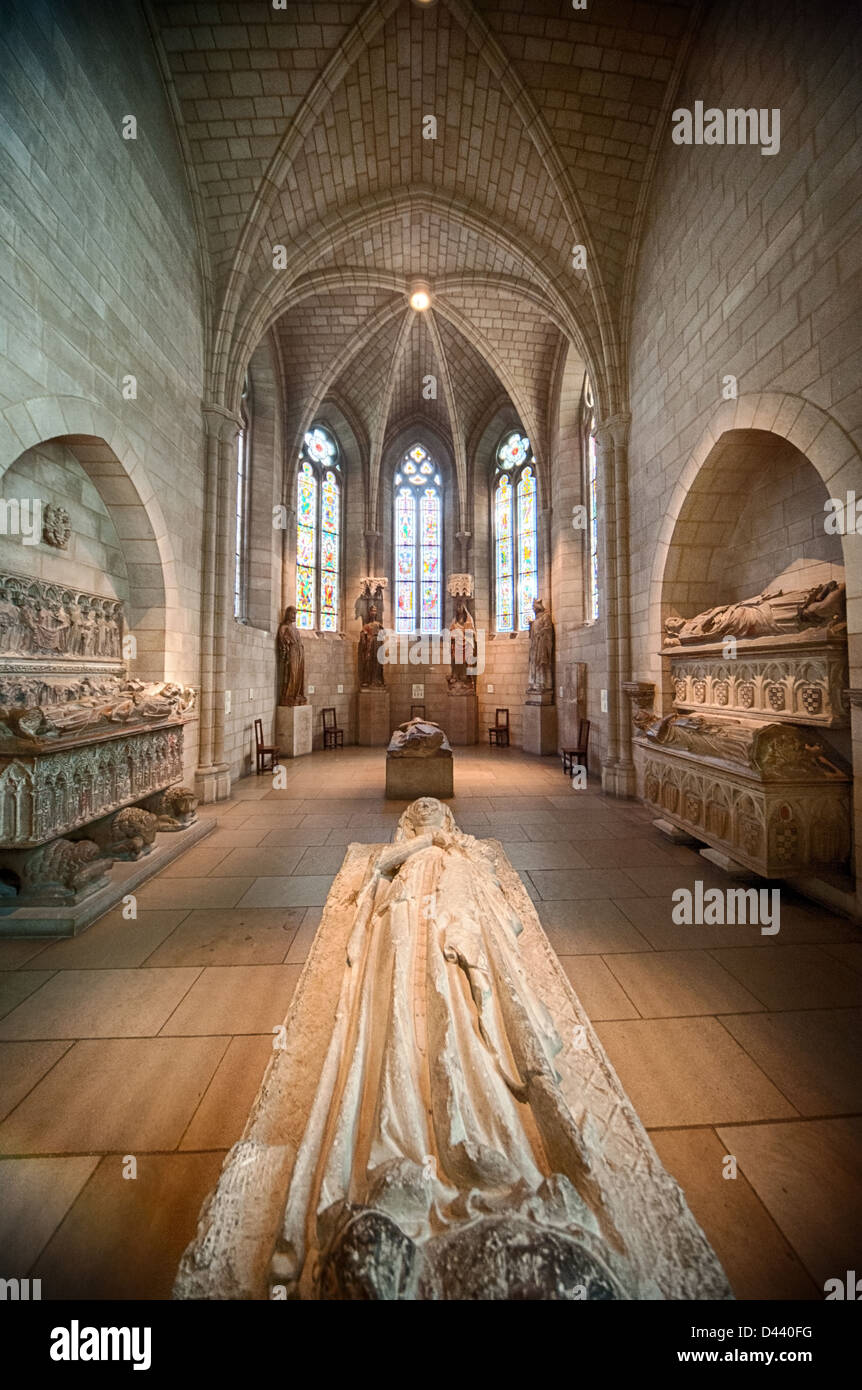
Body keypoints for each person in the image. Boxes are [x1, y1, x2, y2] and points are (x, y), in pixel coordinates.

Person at [278, 796, 624, 1299]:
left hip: (453, 920)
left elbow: (488, 876)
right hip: (403, 914)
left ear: (449, 817)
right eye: (419, 809)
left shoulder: (462, 849)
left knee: (457, 1013)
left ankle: (479, 1137)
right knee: (398, 1012)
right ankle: (401, 1146)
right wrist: (424, 843)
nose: (427, 807)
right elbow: (380, 864)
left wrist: (454, 859)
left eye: (435, 808)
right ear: (409, 822)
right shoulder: (413, 847)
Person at [277, 605, 306, 706]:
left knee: (299, 675)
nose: (294, 615)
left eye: (296, 614)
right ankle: (288, 695)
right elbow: (282, 641)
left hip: (299, 654)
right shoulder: (284, 627)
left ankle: (296, 694)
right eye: (293, 613)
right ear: (287, 613)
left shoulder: (295, 629)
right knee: (292, 674)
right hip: (292, 654)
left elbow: (299, 642)